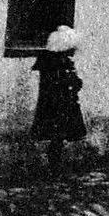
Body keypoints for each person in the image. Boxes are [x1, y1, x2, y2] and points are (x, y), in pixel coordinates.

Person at [31, 25, 86, 176]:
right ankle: (54, 168)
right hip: (57, 104)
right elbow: (57, 84)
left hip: (63, 103)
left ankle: (56, 166)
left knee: (59, 137)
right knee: (57, 135)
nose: (73, 51)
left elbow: (72, 81)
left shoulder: (60, 62)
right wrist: (72, 83)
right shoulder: (54, 63)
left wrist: (74, 82)